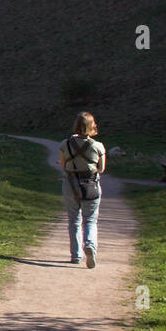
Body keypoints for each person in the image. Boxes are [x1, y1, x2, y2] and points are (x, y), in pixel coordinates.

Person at [59, 112, 106, 268]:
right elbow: (101, 169)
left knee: (74, 220)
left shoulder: (65, 144)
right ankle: (90, 245)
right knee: (90, 220)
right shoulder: (98, 146)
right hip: (90, 184)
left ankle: (76, 255)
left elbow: (63, 165)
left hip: (70, 184)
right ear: (92, 126)